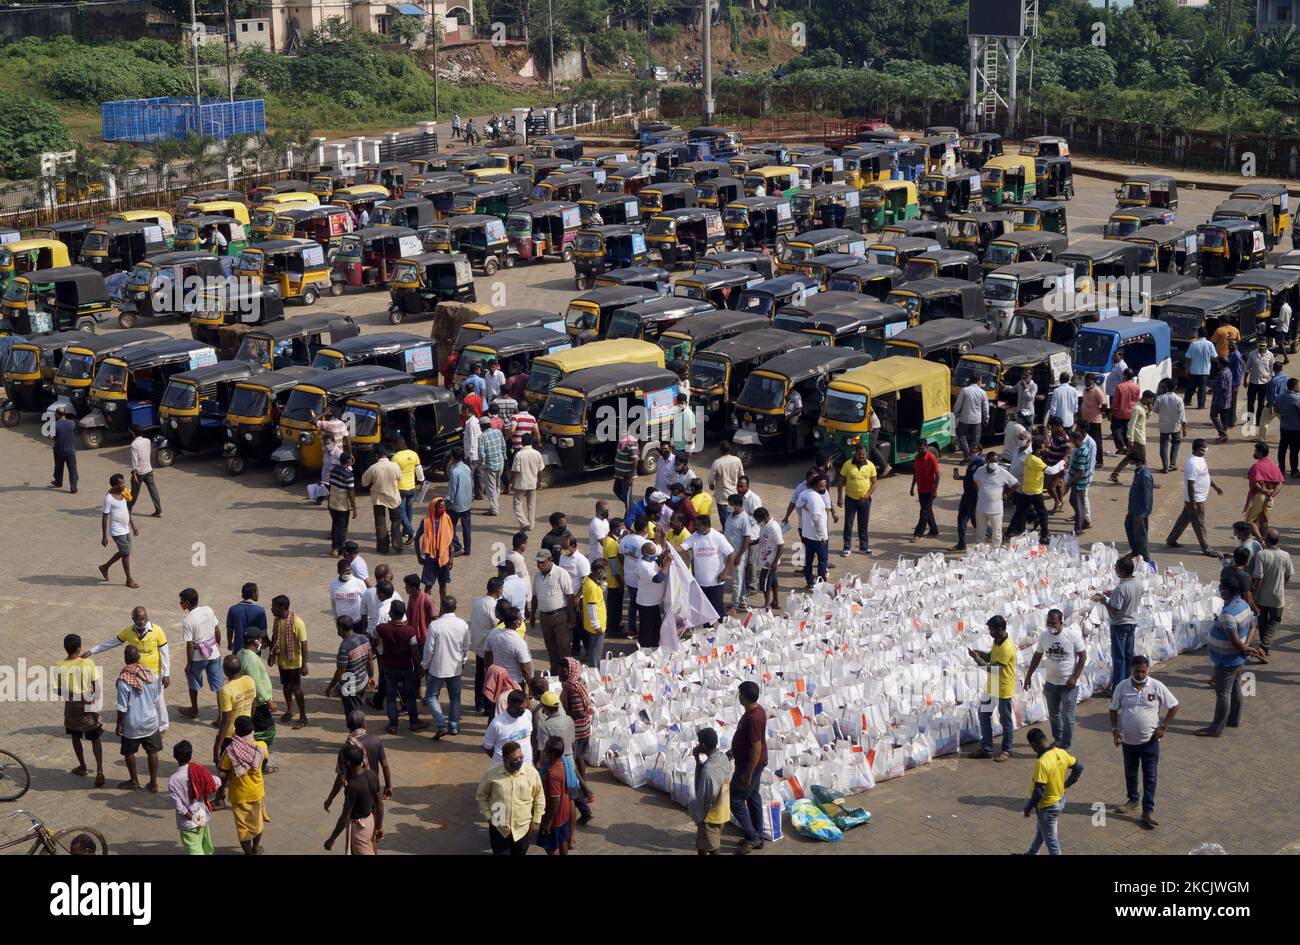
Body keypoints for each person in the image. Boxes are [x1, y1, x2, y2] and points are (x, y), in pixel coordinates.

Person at [1108, 656, 1177, 830]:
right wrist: (1115, 730)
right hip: (1128, 742)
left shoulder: (1156, 686)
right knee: (1130, 772)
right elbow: (1113, 709)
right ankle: (1132, 800)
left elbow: (1174, 705)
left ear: (1148, 670)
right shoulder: (1122, 687)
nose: (1140, 674)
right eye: (1137, 671)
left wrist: (1164, 726)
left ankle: (1148, 810)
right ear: (1131, 669)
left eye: (1143, 671)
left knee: (1150, 776)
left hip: (1150, 742)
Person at [84, 606, 170, 733]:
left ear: (147, 617)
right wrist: (92, 651)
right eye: (138, 620)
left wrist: (166, 674)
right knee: (138, 699)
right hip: (136, 673)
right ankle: (142, 723)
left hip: (154, 673)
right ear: (133, 619)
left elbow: (165, 653)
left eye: (144, 619)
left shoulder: (158, 631)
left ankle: (162, 726)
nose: (141, 622)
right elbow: (112, 642)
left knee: (158, 699)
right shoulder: (128, 631)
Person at [1196, 574, 1261, 737]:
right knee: (1235, 687)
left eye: (1221, 590)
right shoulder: (1244, 605)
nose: (1220, 592)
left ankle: (1216, 728)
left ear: (1226, 591)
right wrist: (1247, 647)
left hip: (1227, 659)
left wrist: (1244, 648)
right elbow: (1253, 626)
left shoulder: (1229, 614)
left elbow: (1234, 640)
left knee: (1223, 693)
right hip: (1238, 657)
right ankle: (1233, 719)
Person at [1023, 608, 1087, 750]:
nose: (1051, 626)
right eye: (1048, 623)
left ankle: (1066, 744)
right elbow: (1037, 656)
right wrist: (1028, 676)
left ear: (1061, 623)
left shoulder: (1072, 636)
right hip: (1051, 683)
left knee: (1068, 717)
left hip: (1068, 684)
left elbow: (1083, 656)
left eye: (1054, 623)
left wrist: (1074, 677)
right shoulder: (1044, 636)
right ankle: (1058, 739)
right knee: (1054, 714)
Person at [1021, 727, 1083, 856]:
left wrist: (1028, 807)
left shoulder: (1042, 762)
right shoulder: (1060, 752)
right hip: (1059, 800)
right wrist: (1066, 784)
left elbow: (1039, 791)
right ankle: (1031, 853)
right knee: (1042, 831)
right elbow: (1079, 768)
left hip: (1047, 806)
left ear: (1033, 745)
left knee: (1052, 841)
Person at [475, 740, 543, 855]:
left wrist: (536, 822)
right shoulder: (492, 773)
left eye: (521, 757)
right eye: (514, 759)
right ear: (505, 759)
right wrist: (488, 816)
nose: (519, 761)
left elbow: (539, 798)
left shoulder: (531, 773)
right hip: (499, 827)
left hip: (522, 829)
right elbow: (481, 795)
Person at [56, 634, 104, 788]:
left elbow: (59, 691)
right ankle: (99, 770)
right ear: (79, 648)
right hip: (88, 702)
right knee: (95, 737)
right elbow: (96, 687)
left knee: (75, 735)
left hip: (71, 706)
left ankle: (82, 766)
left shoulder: (60, 666)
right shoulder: (88, 663)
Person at [114, 644, 163, 792]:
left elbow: (122, 707)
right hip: (150, 721)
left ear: (125, 659)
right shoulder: (150, 675)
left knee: (129, 752)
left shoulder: (123, 680)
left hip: (132, 724)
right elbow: (155, 697)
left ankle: (134, 781)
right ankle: (153, 783)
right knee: (152, 752)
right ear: (139, 657)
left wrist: (119, 724)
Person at [217, 715, 269, 854]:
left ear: (236, 730)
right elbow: (263, 766)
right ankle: (255, 848)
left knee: (243, 827)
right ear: (252, 729)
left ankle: (248, 853)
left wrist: (218, 790)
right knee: (257, 822)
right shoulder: (261, 747)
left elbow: (223, 774)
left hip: (239, 795)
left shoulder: (230, 751)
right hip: (257, 791)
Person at [324, 710, 393, 814]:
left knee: (357, 824)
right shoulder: (375, 739)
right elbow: (385, 765)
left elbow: (341, 779)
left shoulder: (346, 749)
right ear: (363, 724)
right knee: (373, 818)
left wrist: (330, 799)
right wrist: (388, 786)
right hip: (373, 787)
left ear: (348, 726)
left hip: (356, 793)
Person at [375, 600, 427, 734]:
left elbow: (373, 636)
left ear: (391, 613)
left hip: (389, 668)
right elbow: (415, 652)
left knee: (391, 697)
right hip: (406, 668)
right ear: (403, 613)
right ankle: (414, 722)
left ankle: (393, 725)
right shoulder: (410, 631)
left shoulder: (382, 628)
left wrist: (378, 647)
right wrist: (419, 667)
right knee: (410, 695)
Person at [968, 615, 1016, 761]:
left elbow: (995, 669)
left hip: (1003, 688)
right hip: (992, 686)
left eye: (992, 629)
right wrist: (981, 654)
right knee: (983, 714)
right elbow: (991, 657)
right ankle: (986, 748)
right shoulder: (997, 641)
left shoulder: (1007, 648)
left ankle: (1007, 750)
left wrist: (977, 659)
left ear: (1000, 629)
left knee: (1005, 721)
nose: (990, 632)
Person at [1164, 438, 1223, 556]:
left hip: (1196, 499)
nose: (1206, 450)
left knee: (1184, 519)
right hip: (1196, 500)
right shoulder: (1192, 463)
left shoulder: (1200, 459)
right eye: (1204, 449)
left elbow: (1206, 475)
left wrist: (1215, 487)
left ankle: (1171, 539)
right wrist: (1193, 503)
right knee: (1199, 524)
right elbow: (1190, 484)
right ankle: (1206, 549)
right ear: (1197, 449)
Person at [728, 681, 768, 855]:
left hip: (749, 765)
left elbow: (756, 747)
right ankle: (757, 835)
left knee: (735, 800)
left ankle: (752, 836)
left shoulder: (754, 717)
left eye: (740, 693)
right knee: (752, 796)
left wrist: (748, 774)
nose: (739, 696)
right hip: (750, 763)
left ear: (744, 696)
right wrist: (732, 751)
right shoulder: (755, 711)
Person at [422, 596, 470, 737]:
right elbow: (466, 646)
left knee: (431, 696)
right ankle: (454, 726)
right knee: (455, 697)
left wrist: (425, 664)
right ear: (455, 608)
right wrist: (463, 661)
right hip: (455, 667)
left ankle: (440, 724)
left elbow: (429, 649)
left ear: (442, 608)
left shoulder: (435, 625)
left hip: (437, 668)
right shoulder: (463, 624)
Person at [1094, 556, 1142, 694]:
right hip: (1132, 623)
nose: (1114, 569)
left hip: (1120, 625)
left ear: (1121, 571)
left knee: (1119, 659)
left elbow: (1114, 611)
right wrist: (1113, 592)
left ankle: (1117, 690)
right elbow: (1128, 594)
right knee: (1128, 656)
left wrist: (1104, 602)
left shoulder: (1122, 587)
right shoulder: (1137, 583)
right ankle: (1128, 685)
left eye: (1116, 568)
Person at [325, 742, 384, 854]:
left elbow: (345, 817)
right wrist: (379, 826)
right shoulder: (371, 774)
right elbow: (379, 803)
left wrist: (332, 839)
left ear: (347, 763)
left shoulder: (352, 786)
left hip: (359, 829)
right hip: (370, 821)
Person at [178, 587, 224, 722]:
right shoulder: (208, 610)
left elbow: (190, 644)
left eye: (181, 601)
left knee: (193, 683)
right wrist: (218, 645)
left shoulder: (188, 620)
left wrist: (189, 664)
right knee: (219, 686)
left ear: (186, 603)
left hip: (198, 657)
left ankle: (194, 710)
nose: (180, 603)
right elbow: (217, 630)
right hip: (214, 653)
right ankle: (221, 716)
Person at [168, 740, 217, 855]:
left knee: (195, 851)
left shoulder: (173, 780)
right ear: (191, 755)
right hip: (202, 815)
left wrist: (194, 818)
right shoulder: (199, 770)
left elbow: (180, 808)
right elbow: (216, 782)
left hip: (188, 822)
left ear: (175, 757)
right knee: (205, 847)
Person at [689, 726, 732, 855]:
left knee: (713, 847)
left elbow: (704, 798)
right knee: (702, 845)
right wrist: (697, 759)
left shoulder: (708, 770)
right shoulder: (722, 758)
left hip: (711, 816)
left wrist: (698, 817)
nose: (697, 744)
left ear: (703, 744)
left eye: (699, 742)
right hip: (723, 809)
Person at [530, 548, 575, 669]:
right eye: (538, 562)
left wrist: (572, 618)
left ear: (550, 560)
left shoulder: (561, 573)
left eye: (542, 562)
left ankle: (568, 671)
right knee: (550, 647)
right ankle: (555, 670)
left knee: (564, 646)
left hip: (560, 616)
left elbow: (570, 596)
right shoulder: (537, 576)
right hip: (544, 617)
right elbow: (534, 596)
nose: (539, 565)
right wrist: (532, 615)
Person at [268, 595, 309, 729]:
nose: (271, 609)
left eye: (273, 607)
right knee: (286, 687)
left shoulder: (297, 622)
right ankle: (290, 709)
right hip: (282, 662)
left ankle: (303, 716)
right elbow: (275, 637)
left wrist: (304, 665)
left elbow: (304, 644)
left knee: (296, 689)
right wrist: (271, 655)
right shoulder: (277, 620)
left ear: (281, 608)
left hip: (294, 663)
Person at [238, 630, 277, 766]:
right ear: (255, 641)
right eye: (259, 639)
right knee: (267, 732)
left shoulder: (241, 653)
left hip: (248, 702)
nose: (261, 641)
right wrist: (269, 701)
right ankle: (261, 763)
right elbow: (257, 684)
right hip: (258, 704)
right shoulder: (251, 660)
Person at [1252, 527, 1292, 659]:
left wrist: (1254, 594)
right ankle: (1265, 647)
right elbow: (1288, 575)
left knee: (1263, 621)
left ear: (1266, 540)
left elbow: (1259, 576)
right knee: (1274, 621)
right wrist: (1281, 586)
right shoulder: (1285, 555)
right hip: (1278, 597)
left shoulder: (1261, 554)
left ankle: (1263, 647)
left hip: (1263, 596)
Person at [212, 654, 255, 767]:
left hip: (230, 735)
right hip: (246, 730)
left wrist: (217, 746)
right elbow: (254, 704)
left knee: (223, 766)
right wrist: (250, 722)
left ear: (225, 671)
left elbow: (226, 720)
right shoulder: (249, 680)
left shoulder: (226, 690)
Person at [99, 474, 139, 588]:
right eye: (121, 483)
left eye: (124, 482)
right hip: (116, 531)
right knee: (126, 553)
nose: (124, 485)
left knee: (125, 552)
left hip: (125, 528)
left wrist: (133, 525)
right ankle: (129, 580)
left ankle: (105, 567)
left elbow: (127, 510)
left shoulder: (123, 492)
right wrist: (104, 536)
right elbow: (105, 517)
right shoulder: (108, 498)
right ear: (115, 485)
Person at [360, 448, 404, 555]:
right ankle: (397, 544)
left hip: (378, 498)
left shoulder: (373, 468)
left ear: (376, 456)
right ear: (386, 455)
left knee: (380, 523)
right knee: (396, 521)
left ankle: (383, 547)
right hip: (393, 497)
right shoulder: (395, 466)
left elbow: (364, 482)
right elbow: (400, 478)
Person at [837, 445, 876, 556]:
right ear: (855, 453)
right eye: (860, 454)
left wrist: (867, 495)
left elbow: (874, 482)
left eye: (863, 454)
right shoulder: (847, 464)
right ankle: (846, 547)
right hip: (850, 500)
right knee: (848, 524)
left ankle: (863, 547)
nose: (862, 456)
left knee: (863, 524)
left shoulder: (870, 465)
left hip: (865, 501)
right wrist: (839, 497)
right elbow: (840, 482)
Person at [972, 450, 1017, 548]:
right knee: (980, 532)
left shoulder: (1003, 472)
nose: (994, 464)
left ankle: (996, 552)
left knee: (996, 533)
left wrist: (1006, 494)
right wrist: (979, 492)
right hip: (981, 508)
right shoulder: (980, 470)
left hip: (996, 509)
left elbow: (1015, 484)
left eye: (996, 461)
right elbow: (975, 479)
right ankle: (980, 552)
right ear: (986, 461)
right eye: (992, 461)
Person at [327, 615, 370, 716]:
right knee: (358, 706)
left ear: (341, 628)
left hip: (350, 686)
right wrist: (371, 676)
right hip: (363, 680)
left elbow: (340, 670)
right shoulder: (364, 638)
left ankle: (358, 730)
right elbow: (370, 659)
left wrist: (330, 687)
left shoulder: (345, 646)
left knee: (353, 713)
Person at [794, 475, 833, 586]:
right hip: (818, 537)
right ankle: (821, 583)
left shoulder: (804, 494)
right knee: (822, 561)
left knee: (808, 560)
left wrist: (804, 516)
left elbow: (798, 506)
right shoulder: (816, 499)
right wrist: (822, 536)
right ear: (816, 485)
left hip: (806, 534)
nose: (824, 488)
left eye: (825, 485)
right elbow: (817, 519)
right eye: (822, 486)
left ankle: (809, 582)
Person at [414, 497, 454, 601]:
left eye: (444, 507)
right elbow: (416, 538)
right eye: (440, 507)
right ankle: (427, 609)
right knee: (428, 587)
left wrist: (451, 557)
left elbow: (449, 540)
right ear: (433, 508)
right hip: (430, 559)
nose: (443, 509)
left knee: (443, 587)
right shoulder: (426, 522)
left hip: (444, 560)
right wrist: (419, 556)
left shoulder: (447, 519)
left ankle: (443, 610)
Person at [1119, 445, 1154, 561]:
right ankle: (1135, 552)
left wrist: (1142, 514)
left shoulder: (1145, 475)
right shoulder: (1138, 472)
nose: (1130, 464)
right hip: (1133, 509)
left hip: (1140, 512)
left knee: (1141, 537)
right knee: (1129, 527)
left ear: (1138, 462)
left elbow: (1147, 496)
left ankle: (1146, 560)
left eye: (1131, 461)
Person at [484, 607, 533, 689]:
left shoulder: (493, 633)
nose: (522, 619)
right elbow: (525, 669)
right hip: (514, 683)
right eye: (520, 617)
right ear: (516, 622)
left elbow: (487, 656)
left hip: (497, 680)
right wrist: (531, 686)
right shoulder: (519, 642)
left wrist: (488, 673)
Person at [1110, 389, 1153, 480]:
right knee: (1142, 459)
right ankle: (1145, 478)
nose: (1151, 402)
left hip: (1140, 436)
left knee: (1130, 458)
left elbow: (1145, 419)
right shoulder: (1137, 409)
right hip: (1137, 438)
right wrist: (1130, 439)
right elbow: (1131, 425)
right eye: (1150, 400)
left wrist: (1149, 411)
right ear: (1146, 398)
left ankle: (1115, 474)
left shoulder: (1143, 407)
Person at [1243, 441, 1283, 539]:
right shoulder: (1273, 465)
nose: (1254, 453)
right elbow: (1280, 482)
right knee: (1264, 519)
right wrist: (1272, 494)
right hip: (1270, 498)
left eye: (1256, 451)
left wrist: (1264, 491)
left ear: (1260, 453)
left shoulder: (1257, 466)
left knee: (1250, 520)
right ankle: (1263, 538)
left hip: (1259, 496)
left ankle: (1261, 540)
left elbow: (1254, 483)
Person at [632, 541, 670, 644]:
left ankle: (653, 646)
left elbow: (656, 562)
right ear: (645, 553)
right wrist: (667, 563)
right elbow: (658, 578)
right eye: (652, 554)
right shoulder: (644, 566)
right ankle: (645, 649)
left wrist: (665, 553)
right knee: (647, 629)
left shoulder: (648, 559)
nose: (654, 556)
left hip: (653, 602)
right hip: (647, 604)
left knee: (656, 626)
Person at [723, 494, 757, 609]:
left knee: (736, 581)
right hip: (729, 553)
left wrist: (739, 556)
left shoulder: (744, 518)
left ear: (738, 505)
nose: (729, 506)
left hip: (738, 555)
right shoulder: (730, 516)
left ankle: (735, 605)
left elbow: (747, 538)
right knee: (739, 579)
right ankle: (741, 601)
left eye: (731, 505)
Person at [484, 689, 534, 763]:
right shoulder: (497, 724)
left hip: (527, 767)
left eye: (522, 708)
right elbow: (488, 747)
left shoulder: (527, 714)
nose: (520, 711)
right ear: (509, 704)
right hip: (504, 769)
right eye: (516, 709)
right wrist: (503, 762)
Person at [950, 448, 985, 552]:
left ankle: (992, 536)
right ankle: (961, 544)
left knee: (976, 522)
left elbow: (979, 481)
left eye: (974, 451)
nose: (971, 453)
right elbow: (969, 477)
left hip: (973, 498)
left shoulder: (980, 464)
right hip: (966, 496)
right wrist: (960, 477)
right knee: (961, 520)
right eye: (971, 451)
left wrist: (979, 497)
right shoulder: (972, 462)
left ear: (979, 451)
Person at [510, 433, 544, 529]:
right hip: (532, 482)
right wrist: (539, 481)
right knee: (531, 505)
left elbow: (515, 470)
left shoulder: (519, 454)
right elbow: (540, 470)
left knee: (517, 504)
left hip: (521, 483)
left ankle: (524, 522)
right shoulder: (537, 454)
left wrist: (511, 482)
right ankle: (531, 526)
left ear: (522, 442)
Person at [326, 451, 357, 556]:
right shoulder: (349, 475)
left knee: (335, 526)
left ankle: (334, 549)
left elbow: (330, 486)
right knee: (342, 528)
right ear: (349, 461)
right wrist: (354, 508)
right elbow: (351, 493)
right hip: (342, 506)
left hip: (333, 503)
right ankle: (340, 551)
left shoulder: (333, 470)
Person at [1152, 379, 1187, 473]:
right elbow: (1182, 415)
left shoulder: (1160, 398)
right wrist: (1184, 428)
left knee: (1163, 446)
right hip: (1175, 426)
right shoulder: (1179, 399)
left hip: (1163, 426)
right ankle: (1173, 463)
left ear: (1166, 387)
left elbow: (1154, 410)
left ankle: (1165, 467)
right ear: (1175, 387)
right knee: (1176, 443)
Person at [909, 439, 940, 542]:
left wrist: (935, 490)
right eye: (918, 449)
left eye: (922, 448)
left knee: (924, 512)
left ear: (926, 447)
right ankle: (934, 530)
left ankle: (918, 533)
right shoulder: (917, 457)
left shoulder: (931, 458)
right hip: (921, 489)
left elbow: (938, 474)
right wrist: (912, 487)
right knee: (927, 510)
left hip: (930, 490)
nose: (920, 451)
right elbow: (916, 472)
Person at [126, 425, 161, 516]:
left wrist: (134, 474)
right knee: (153, 490)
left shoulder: (134, 444)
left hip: (139, 472)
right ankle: (158, 510)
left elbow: (135, 460)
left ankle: (128, 509)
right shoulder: (147, 441)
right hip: (149, 469)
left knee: (134, 492)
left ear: (133, 433)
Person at [579, 559, 607, 667]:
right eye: (605, 570)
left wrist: (603, 580)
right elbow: (592, 607)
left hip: (592, 623)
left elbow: (602, 589)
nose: (606, 572)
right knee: (596, 652)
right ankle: (595, 672)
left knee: (593, 648)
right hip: (597, 625)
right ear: (599, 571)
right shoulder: (592, 587)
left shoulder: (588, 579)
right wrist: (596, 625)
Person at [952, 374, 989, 459]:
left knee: (961, 435)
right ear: (979, 381)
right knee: (976, 439)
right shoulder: (982, 392)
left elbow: (958, 404)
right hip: (977, 420)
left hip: (965, 419)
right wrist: (986, 418)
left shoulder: (965, 390)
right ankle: (973, 457)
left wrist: (955, 413)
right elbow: (985, 407)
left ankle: (967, 455)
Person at [709, 441, 745, 525]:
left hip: (722, 496)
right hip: (734, 494)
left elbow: (710, 479)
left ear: (720, 450)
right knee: (735, 518)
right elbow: (741, 477)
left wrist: (712, 485)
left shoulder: (717, 463)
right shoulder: (737, 460)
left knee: (725, 521)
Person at [224, 583, 265, 654]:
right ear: (253, 594)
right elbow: (263, 633)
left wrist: (230, 644)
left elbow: (230, 630)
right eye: (257, 592)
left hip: (238, 649)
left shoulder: (233, 609)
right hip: (254, 650)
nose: (258, 594)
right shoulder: (260, 610)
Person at [1066, 427, 1092, 534]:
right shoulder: (1080, 448)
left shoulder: (1081, 452)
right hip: (1077, 482)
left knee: (1078, 505)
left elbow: (1080, 471)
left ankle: (1078, 529)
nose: (1070, 442)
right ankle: (1085, 521)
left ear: (1077, 441)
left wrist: (1070, 482)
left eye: (1072, 440)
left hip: (1079, 483)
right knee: (1074, 501)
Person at [1183, 327, 1217, 408]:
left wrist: (1187, 369)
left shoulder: (1193, 344)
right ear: (1206, 334)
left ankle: (1187, 401)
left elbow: (1188, 357)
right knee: (1202, 389)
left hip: (1194, 369)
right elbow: (1214, 357)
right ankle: (1200, 405)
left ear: (1198, 334)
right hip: (1205, 371)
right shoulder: (1210, 344)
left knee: (1191, 387)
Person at [1078, 374, 1106, 468]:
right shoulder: (1085, 390)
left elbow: (1104, 404)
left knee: (1096, 441)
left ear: (1093, 380)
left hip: (1095, 421)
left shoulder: (1097, 390)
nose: (1086, 382)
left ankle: (1099, 460)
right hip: (1086, 420)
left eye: (1088, 380)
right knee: (1086, 440)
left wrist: (1099, 412)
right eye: (1085, 380)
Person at [1246, 337, 1275, 423]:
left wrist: (1271, 382)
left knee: (1261, 403)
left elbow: (1272, 370)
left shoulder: (1270, 355)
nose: (1262, 345)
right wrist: (1245, 380)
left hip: (1264, 383)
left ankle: (1259, 420)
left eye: (1263, 343)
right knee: (1250, 403)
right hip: (1252, 383)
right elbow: (1247, 368)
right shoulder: (1252, 354)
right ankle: (1250, 420)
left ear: (1266, 344)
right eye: (1260, 343)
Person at [50, 404, 78, 493]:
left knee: (58, 468)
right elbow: (74, 433)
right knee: (72, 470)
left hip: (59, 451)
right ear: (64, 414)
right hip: (70, 451)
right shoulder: (72, 423)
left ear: (57, 415)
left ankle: (58, 482)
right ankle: (73, 487)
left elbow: (51, 437)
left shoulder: (54, 425)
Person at [329, 557, 366, 623]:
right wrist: (336, 619)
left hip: (357, 622)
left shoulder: (359, 583)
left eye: (350, 570)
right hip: (342, 623)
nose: (349, 573)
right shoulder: (333, 584)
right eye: (346, 571)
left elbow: (366, 602)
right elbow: (333, 602)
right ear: (339, 571)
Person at [1278, 376, 1300, 477]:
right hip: (1295, 429)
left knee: (1282, 449)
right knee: (1294, 451)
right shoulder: (1297, 399)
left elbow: (1276, 408)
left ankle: (1281, 468)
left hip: (1284, 427)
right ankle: (1294, 470)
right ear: (1295, 386)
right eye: (1298, 385)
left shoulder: (1280, 396)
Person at [1210, 356, 1234, 441]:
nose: (1217, 364)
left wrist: (1212, 386)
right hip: (1227, 399)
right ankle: (1223, 435)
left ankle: (1223, 434)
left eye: (1218, 362)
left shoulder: (1222, 373)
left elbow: (1222, 387)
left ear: (1221, 364)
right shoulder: (1228, 371)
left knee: (1213, 415)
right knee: (1223, 417)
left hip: (1220, 400)